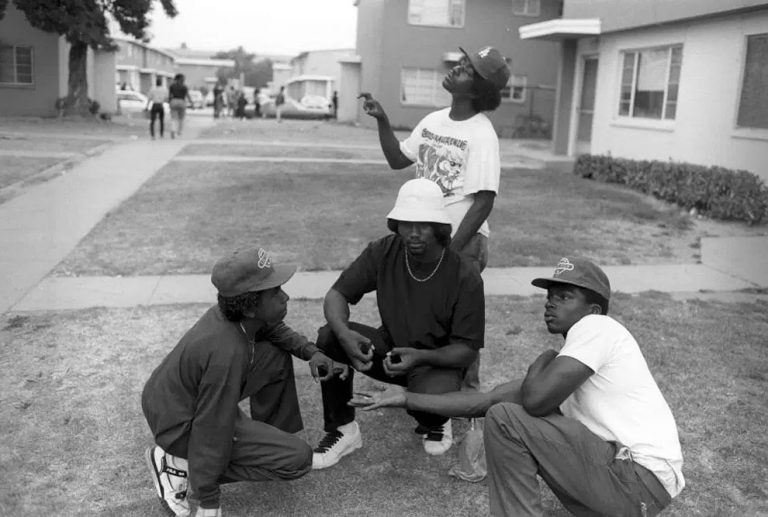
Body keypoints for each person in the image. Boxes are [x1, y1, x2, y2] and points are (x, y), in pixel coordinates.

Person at [355, 257, 685, 517]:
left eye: (564, 297)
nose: (550, 303)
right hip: (630, 488)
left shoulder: (599, 328)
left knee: (506, 419)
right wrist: (406, 398)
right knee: (503, 413)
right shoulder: (570, 367)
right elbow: (483, 401)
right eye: (550, 296)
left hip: (637, 480)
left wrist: (542, 360)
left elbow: (535, 400)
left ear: (593, 310)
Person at [141, 246, 348, 517]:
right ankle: (178, 463)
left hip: (169, 397)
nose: (285, 296)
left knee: (274, 356)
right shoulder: (227, 354)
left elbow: (273, 328)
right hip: (180, 423)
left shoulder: (234, 314)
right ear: (250, 307)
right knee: (298, 459)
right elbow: (211, 428)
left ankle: (264, 440)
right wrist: (209, 500)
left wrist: (312, 352)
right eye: (275, 292)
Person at [359, 45, 511, 391]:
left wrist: (451, 255)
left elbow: (484, 202)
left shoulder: (482, 134)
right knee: (424, 314)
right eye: (461, 63)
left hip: (462, 243)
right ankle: (421, 383)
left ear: (478, 89)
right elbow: (398, 159)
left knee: (460, 322)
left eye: (466, 69)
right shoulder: (433, 120)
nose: (456, 68)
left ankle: (466, 396)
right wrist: (382, 120)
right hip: (426, 241)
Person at [311, 178, 485, 470]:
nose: (413, 233)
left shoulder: (464, 274)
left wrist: (421, 357)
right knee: (330, 337)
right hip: (391, 353)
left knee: (431, 410)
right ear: (396, 224)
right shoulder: (385, 250)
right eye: (406, 223)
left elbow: (466, 350)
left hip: (437, 363)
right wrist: (344, 334)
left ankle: (437, 419)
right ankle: (344, 431)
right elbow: (336, 295)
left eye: (423, 225)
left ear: (439, 227)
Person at [169, 74, 192, 138]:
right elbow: (187, 95)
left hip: (174, 101)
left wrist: (170, 102)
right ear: (179, 79)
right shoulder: (184, 87)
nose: (184, 80)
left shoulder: (172, 86)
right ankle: (179, 131)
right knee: (181, 118)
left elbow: (170, 95)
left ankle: (173, 130)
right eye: (183, 78)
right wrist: (191, 103)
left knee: (173, 118)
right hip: (182, 101)